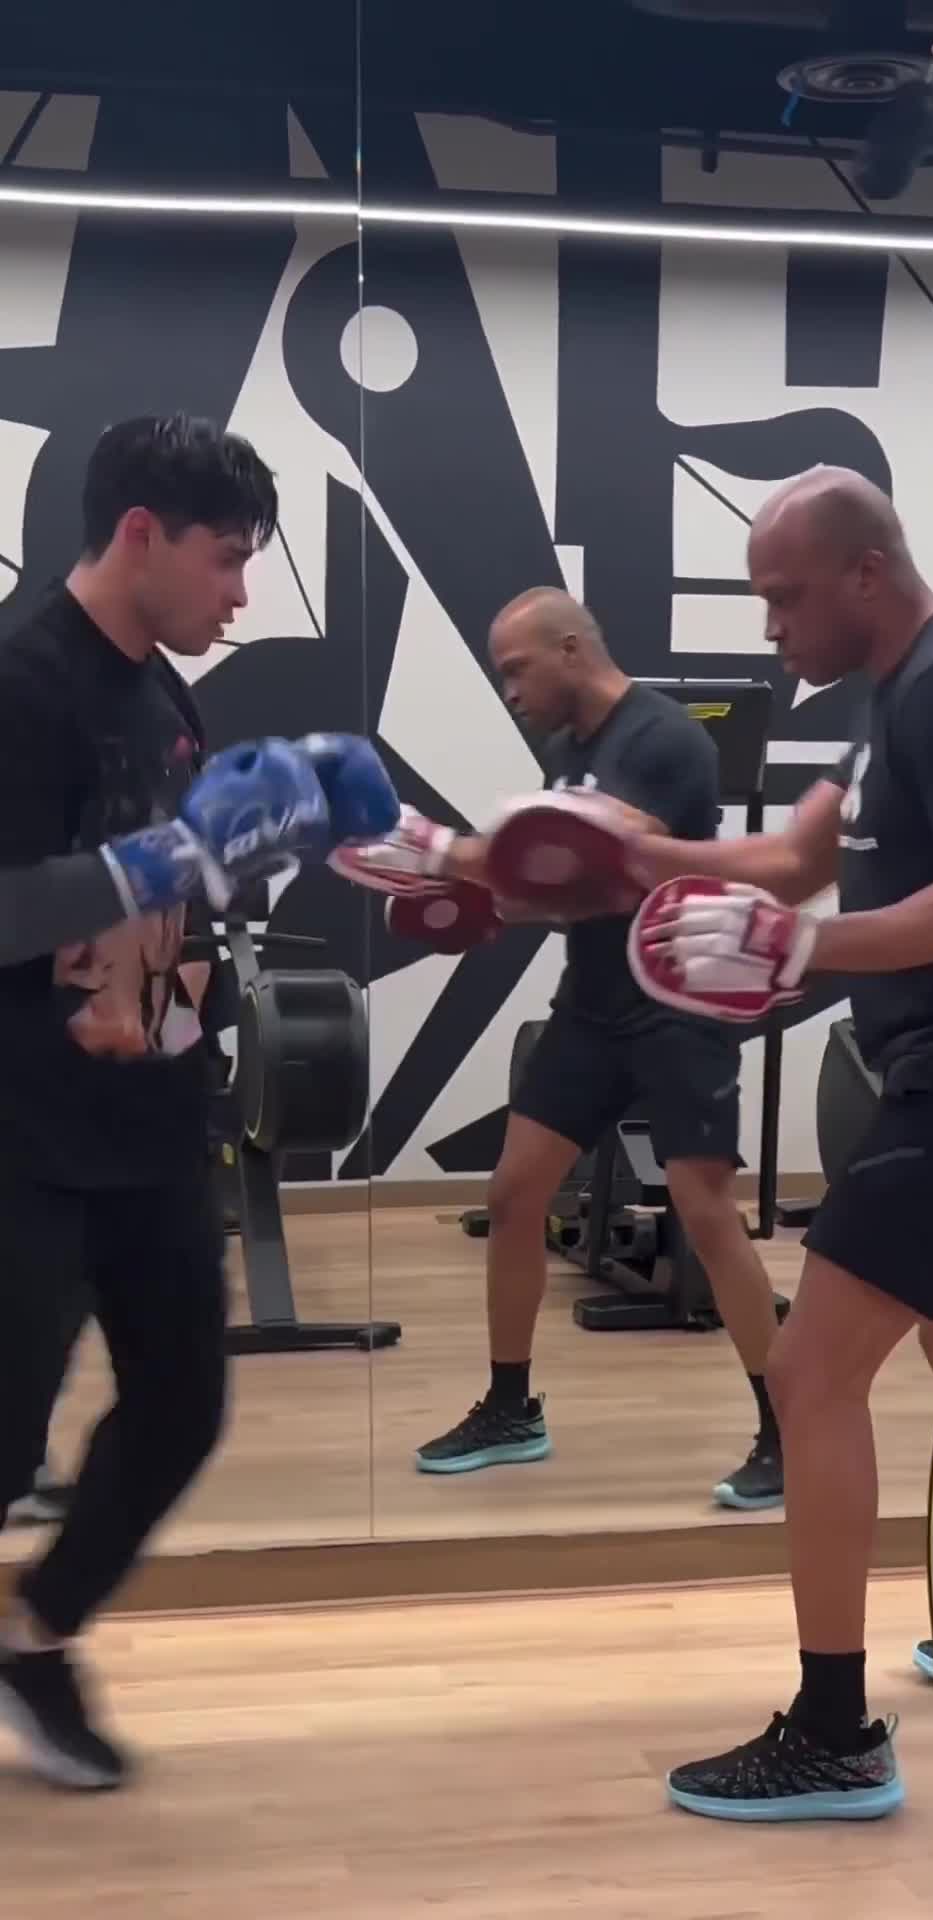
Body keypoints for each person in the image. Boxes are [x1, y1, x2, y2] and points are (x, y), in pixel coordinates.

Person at [625, 467, 933, 1821]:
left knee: (812, 1378)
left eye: (782, 596)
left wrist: (811, 951)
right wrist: (624, 852)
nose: (768, 627)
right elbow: (792, 864)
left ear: (865, 575)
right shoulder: (893, 702)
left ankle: (833, 1735)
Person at [0, 413, 397, 1792]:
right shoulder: (22, 681)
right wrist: (162, 858)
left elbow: (177, 880)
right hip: (23, 1131)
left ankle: (37, 1638)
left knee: (180, 1406)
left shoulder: (162, 698)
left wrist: (326, 854)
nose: (240, 596)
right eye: (227, 564)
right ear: (138, 539)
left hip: (153, 1120)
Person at [414, 587, 788, 1506]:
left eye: (516, 669)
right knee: (512, 1195)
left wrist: (447, 847)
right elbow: (569, 895)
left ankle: (790, 1422)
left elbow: (623, 859)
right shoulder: (565, 754)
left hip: (676, 1001)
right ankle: (511, 1409)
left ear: (573, 646)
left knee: (704, 1213)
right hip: (592, 1004)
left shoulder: (668, 740)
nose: (509, 690)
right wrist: (494, 907)